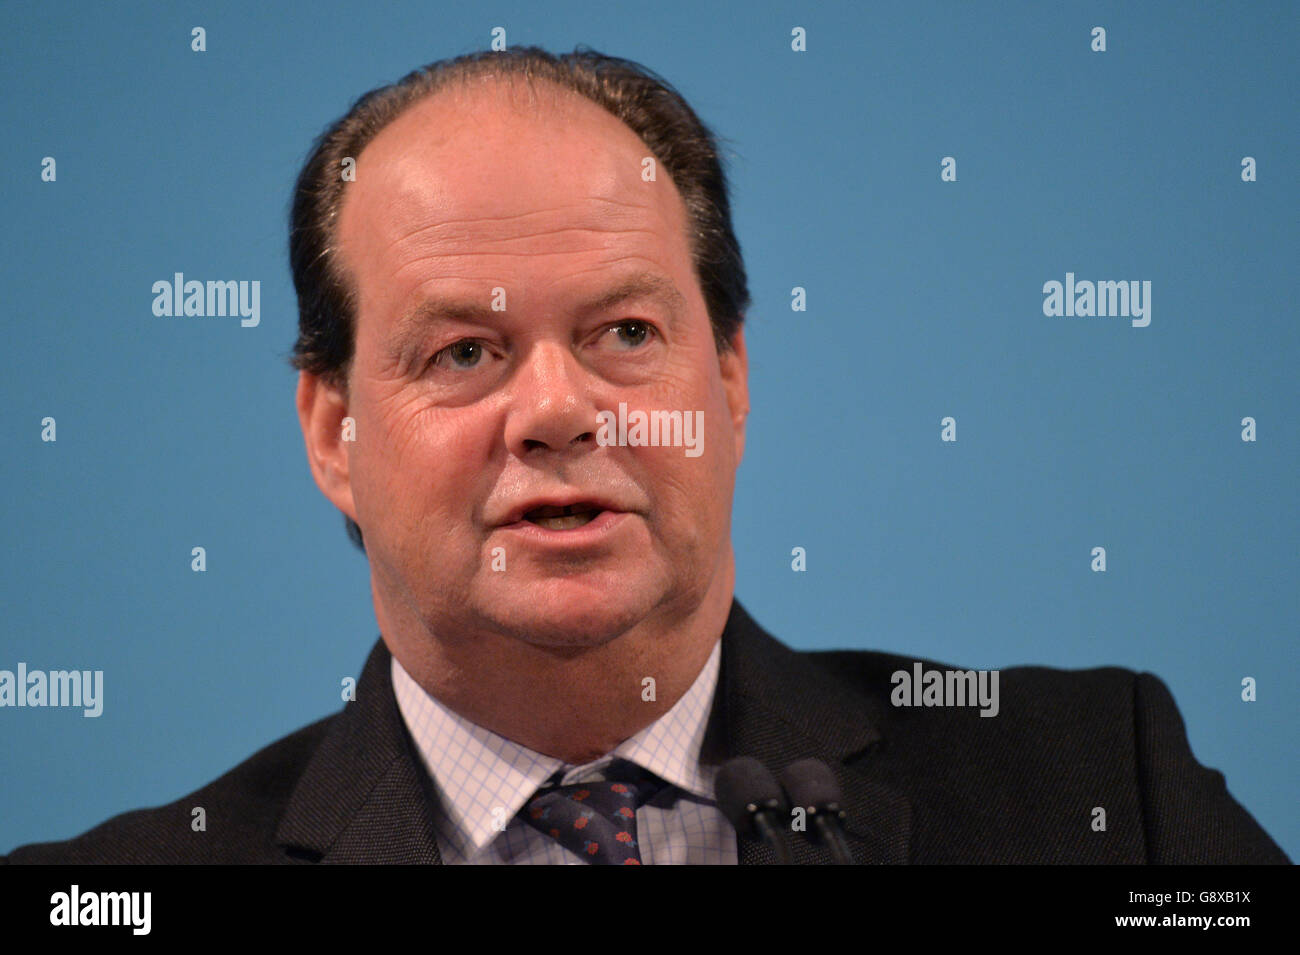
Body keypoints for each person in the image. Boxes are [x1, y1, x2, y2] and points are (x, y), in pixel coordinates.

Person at [4, 46, 1287, 865]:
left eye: (624, 331)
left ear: (726, 377)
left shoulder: (1096, 794)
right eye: (463, 351)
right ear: (334, 431)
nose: (559, 410)